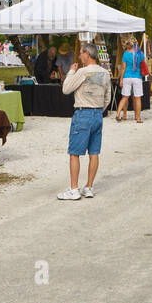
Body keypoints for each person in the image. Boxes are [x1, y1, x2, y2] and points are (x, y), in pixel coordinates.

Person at [58, 43, 111, 200]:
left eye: (81, 53)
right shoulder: (105, 73)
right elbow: (108, 97)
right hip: (97, 114)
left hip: (83, 113)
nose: (79, 56)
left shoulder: (82, 72)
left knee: (74, 153)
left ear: (87, 54)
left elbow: (66, 89)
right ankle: (89, 186)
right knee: (94, 152)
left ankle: (74, 188)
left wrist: (71, 72)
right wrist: (99, 110)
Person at [116, 38, 145, 123]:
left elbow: (123, 68)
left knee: (125, 97)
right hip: (137, 77)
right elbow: (143, 65)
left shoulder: (125, 54)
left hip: (127, 77)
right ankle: (138, 118)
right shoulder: (140, 54)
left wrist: (121, 79)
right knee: (138, 98)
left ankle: (118, 114)